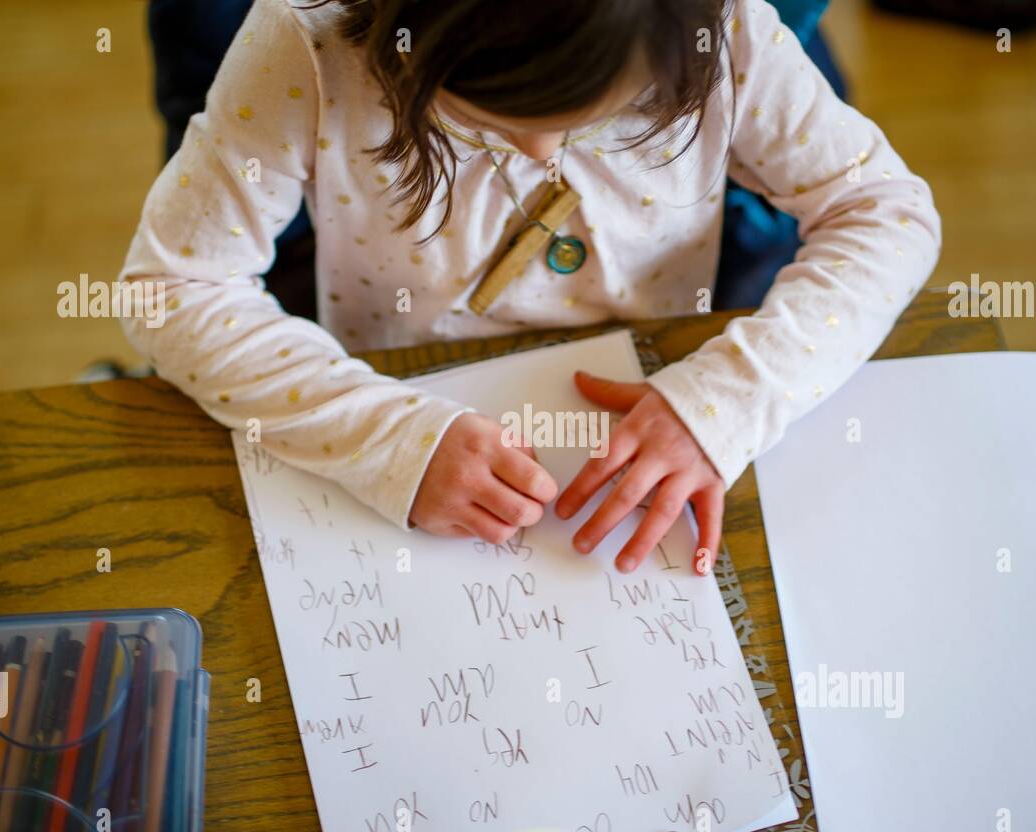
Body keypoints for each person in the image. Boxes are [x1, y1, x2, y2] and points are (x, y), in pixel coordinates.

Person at [119, 0, 940, 574]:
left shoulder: (722, 32)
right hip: (397, 372)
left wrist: (727, 399)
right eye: (486, 121)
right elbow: (171, 288)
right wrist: (385, 440)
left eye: (600, 116)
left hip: (656, 374)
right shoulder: (310, 38)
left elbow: (888, 213)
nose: (545, 155)